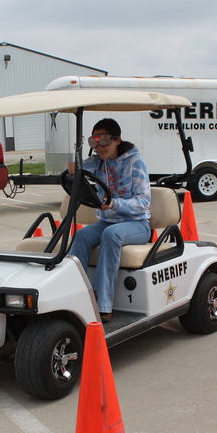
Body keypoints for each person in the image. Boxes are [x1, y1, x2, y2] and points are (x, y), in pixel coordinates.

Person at [67, 118, 151, 323]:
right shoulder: (97, 162)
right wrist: (73, 167)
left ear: (117, 139)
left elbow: (143, 202)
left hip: (137, 224)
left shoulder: (135, 162)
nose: (100, 147)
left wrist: (115, 204)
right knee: (82, 235)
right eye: (94, 141)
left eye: (104, 140)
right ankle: (70, 295)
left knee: (111, 234)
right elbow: (82, 169)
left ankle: (103, 304)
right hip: (108, 222)